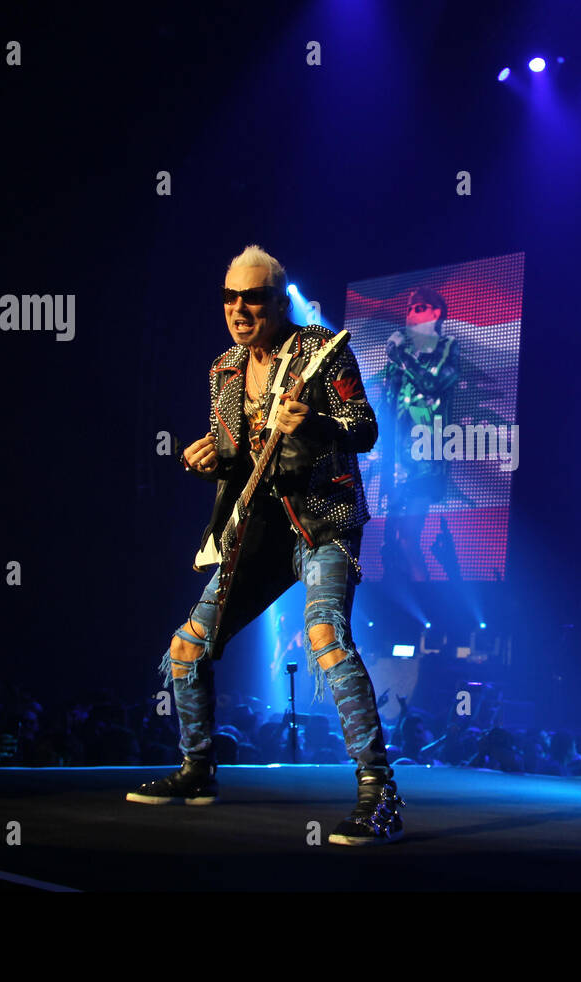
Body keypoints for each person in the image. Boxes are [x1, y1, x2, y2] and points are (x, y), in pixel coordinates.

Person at [124, 244, 404, 846]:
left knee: (325, 634)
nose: (238, 308)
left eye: (252, 297)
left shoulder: (322, 351)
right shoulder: (223, 369)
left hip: (324, 524)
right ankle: (197, 771)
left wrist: (316, 423)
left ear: (280, 301)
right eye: (229, 297)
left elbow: (365, 430)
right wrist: (210, 457)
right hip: (258, 532)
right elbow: (238, 455)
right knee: (185, 649)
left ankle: (379, 793)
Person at [378, 286, 461, 580]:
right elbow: (388, 405)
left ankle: (436, 616)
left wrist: (402, 357)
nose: (410, 314)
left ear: (436, 313)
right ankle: (405, 615)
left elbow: (433, 383)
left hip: (426, 456)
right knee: (393, 546)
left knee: (408, 539)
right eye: (409, 308)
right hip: (398, 459)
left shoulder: (447, 346)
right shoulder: (402, 355)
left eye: (419, 308)